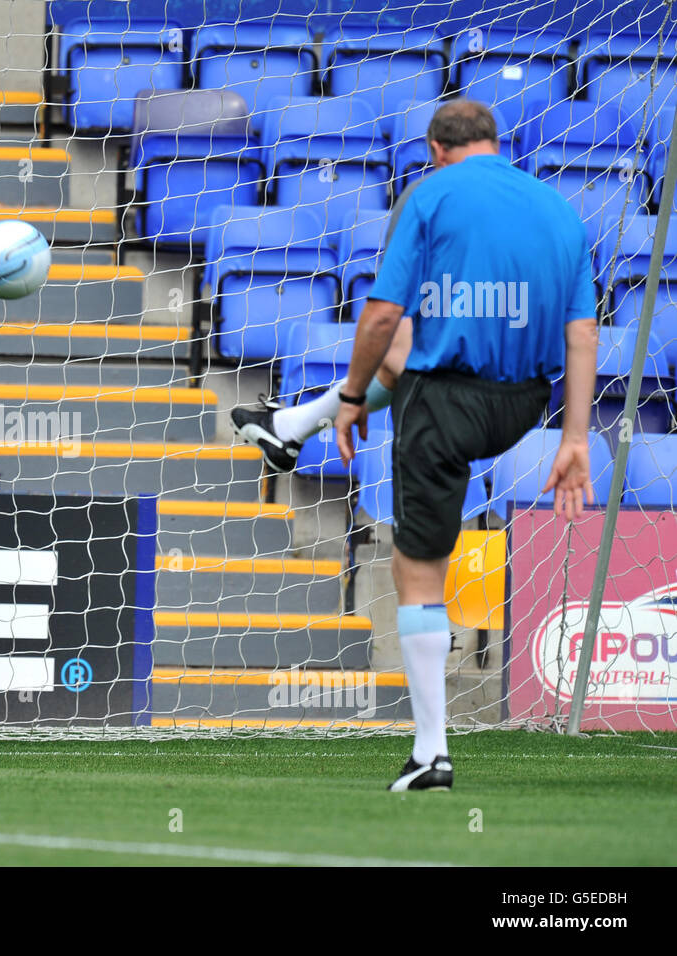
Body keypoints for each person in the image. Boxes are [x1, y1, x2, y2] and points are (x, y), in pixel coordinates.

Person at [233, 100, 598, 790]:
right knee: (412, 353)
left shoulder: (430, 194)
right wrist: (574, 437)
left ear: (436, 150)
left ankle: (432, 752)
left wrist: (347, 398)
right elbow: (583, 335)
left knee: (416, 564)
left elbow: (380, 314)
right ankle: (289, 428)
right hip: (525, 403)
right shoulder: (558, 208)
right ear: (495, 144)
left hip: (442, 401)